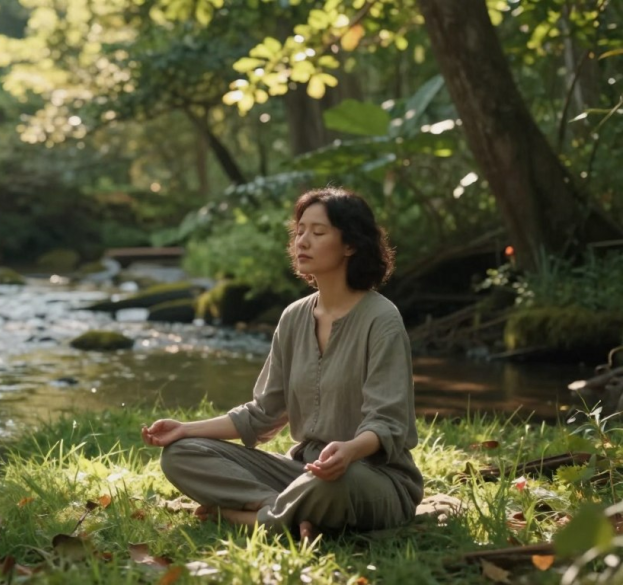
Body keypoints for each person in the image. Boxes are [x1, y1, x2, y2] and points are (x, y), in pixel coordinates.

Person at [141, 187, 423, 540]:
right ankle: (286, 512)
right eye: (299, 231)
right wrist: (186, 429)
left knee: (336, 484)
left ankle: (246, 518)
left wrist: (349, 450)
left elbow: (388, 423)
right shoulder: (293, 318)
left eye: (318, 233)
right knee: (180, 455)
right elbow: (262, 414)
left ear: (350, 244)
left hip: (369, 477)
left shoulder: (382, 319)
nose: (302, 241)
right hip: (305, 473)